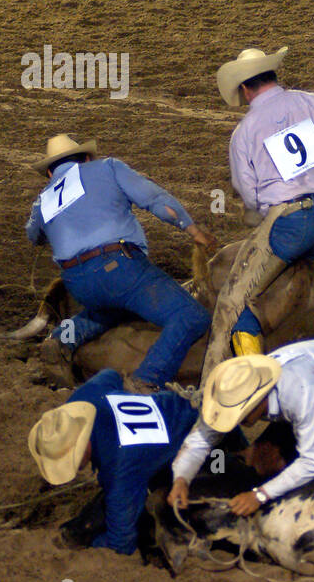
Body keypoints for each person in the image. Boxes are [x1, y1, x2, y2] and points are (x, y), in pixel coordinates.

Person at [201, 47, 314, 382]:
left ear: (245, 89)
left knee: (232, 303)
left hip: (288, 222)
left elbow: (248, 191)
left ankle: (220, 388)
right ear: (273, 76)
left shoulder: (245, 131)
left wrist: (261, 207)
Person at [24, 134, 218, 394]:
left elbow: (33, 235)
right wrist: (193, 230)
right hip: (119, 268)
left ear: (50, 173)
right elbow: (155, 200)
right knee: (190, 316)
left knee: (112, 307)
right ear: (86, 158)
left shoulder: (43, 200)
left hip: (77, 282)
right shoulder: (107, 167)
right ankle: (146, 380)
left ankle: (61, 339)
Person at [168, 338, 314, 517]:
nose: (236, 422)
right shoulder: (231, 390)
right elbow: (200, 440)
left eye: (240, 414)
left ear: (259, 400)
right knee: (262, 463)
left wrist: (260, 496)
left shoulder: (299, 390)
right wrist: (181, 479)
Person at [28, 368, 201, 555]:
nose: (75, 468)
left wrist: (95, 545)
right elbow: (111, 375)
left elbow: (121, 543)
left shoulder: (119, 469)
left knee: (134, 509)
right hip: (185, 408)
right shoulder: (84, 399)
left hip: (202, 445)